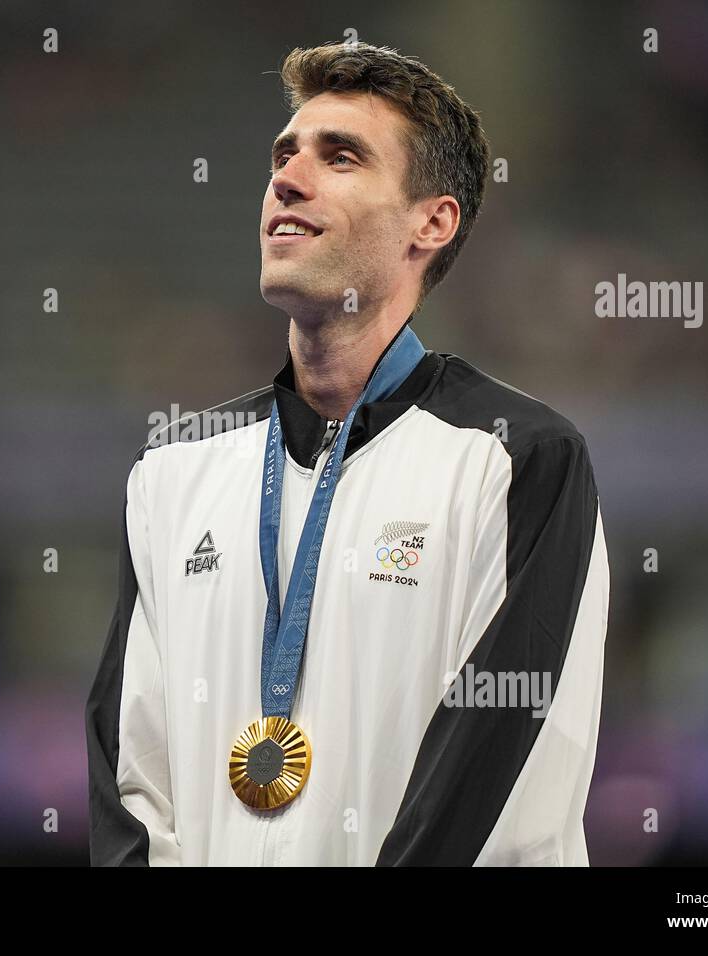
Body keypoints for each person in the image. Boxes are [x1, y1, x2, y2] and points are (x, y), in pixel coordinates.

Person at [85, 41, 609, 866]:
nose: (287, 180)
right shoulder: (172, 472)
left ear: (431, 222)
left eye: (341, 158)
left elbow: (498, 785)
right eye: (283, 156)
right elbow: (130, 784)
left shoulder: (518, 463)